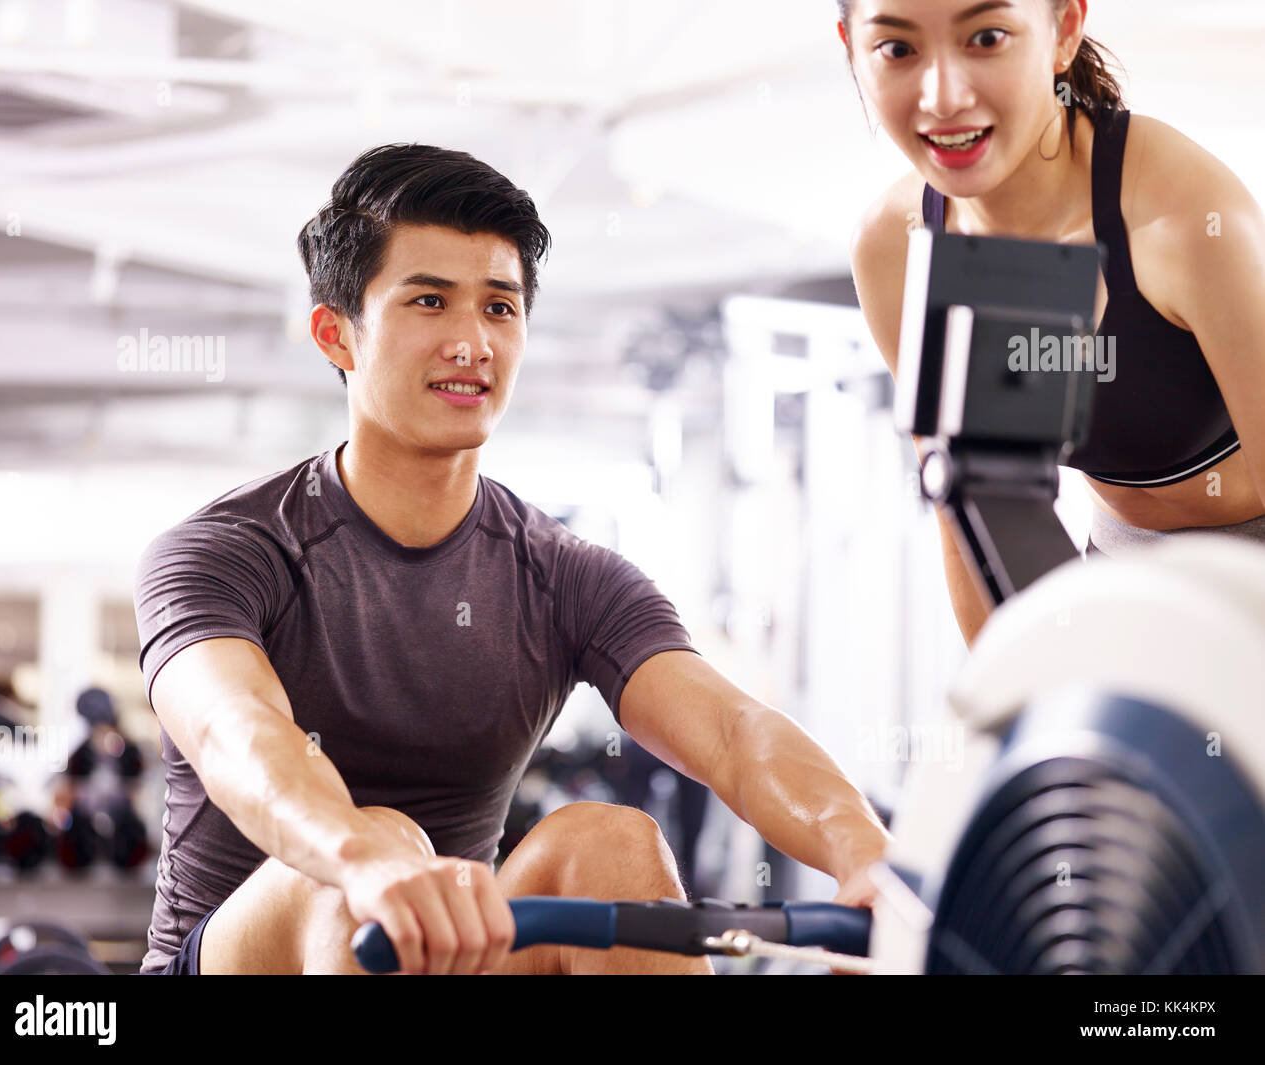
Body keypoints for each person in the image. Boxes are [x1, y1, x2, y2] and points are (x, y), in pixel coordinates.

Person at [132, 143, 891, 975]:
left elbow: (734, 730)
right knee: (362, 865)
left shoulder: (564, 575)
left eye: (499, 308)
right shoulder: (226, 549)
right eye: (430, 301)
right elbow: (236, 731)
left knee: (612, 840)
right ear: (336, 333)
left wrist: (865, 854)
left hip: (452, 958)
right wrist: (364, 856)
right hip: (244, 954)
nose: (472, 342)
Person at [839, 0, 1265, 645]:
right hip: (1121, 562)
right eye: (898, 49)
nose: (944, 97)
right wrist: (1013, 709)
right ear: (852, 50)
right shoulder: (895, 246)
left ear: (1063, 30)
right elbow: (967, 521)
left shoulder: (1182, 211)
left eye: (986, 37)